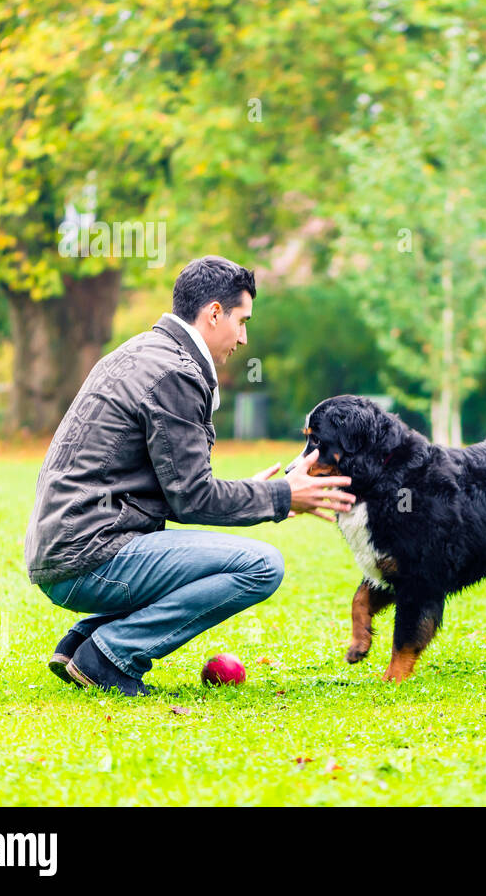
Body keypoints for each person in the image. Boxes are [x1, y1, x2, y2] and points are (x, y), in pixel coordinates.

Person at [23, 255, 353, 695]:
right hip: (88, 557)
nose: (244, 337)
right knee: (261, 566)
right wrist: (278, 497)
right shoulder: (175, 373)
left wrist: (259, 493)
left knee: (228, 557)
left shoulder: (141, 352)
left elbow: (170, 485)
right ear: (215, 313)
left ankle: (84, 641)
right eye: (242, 320)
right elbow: (193, 498)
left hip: (63, 552)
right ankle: (110, 655)